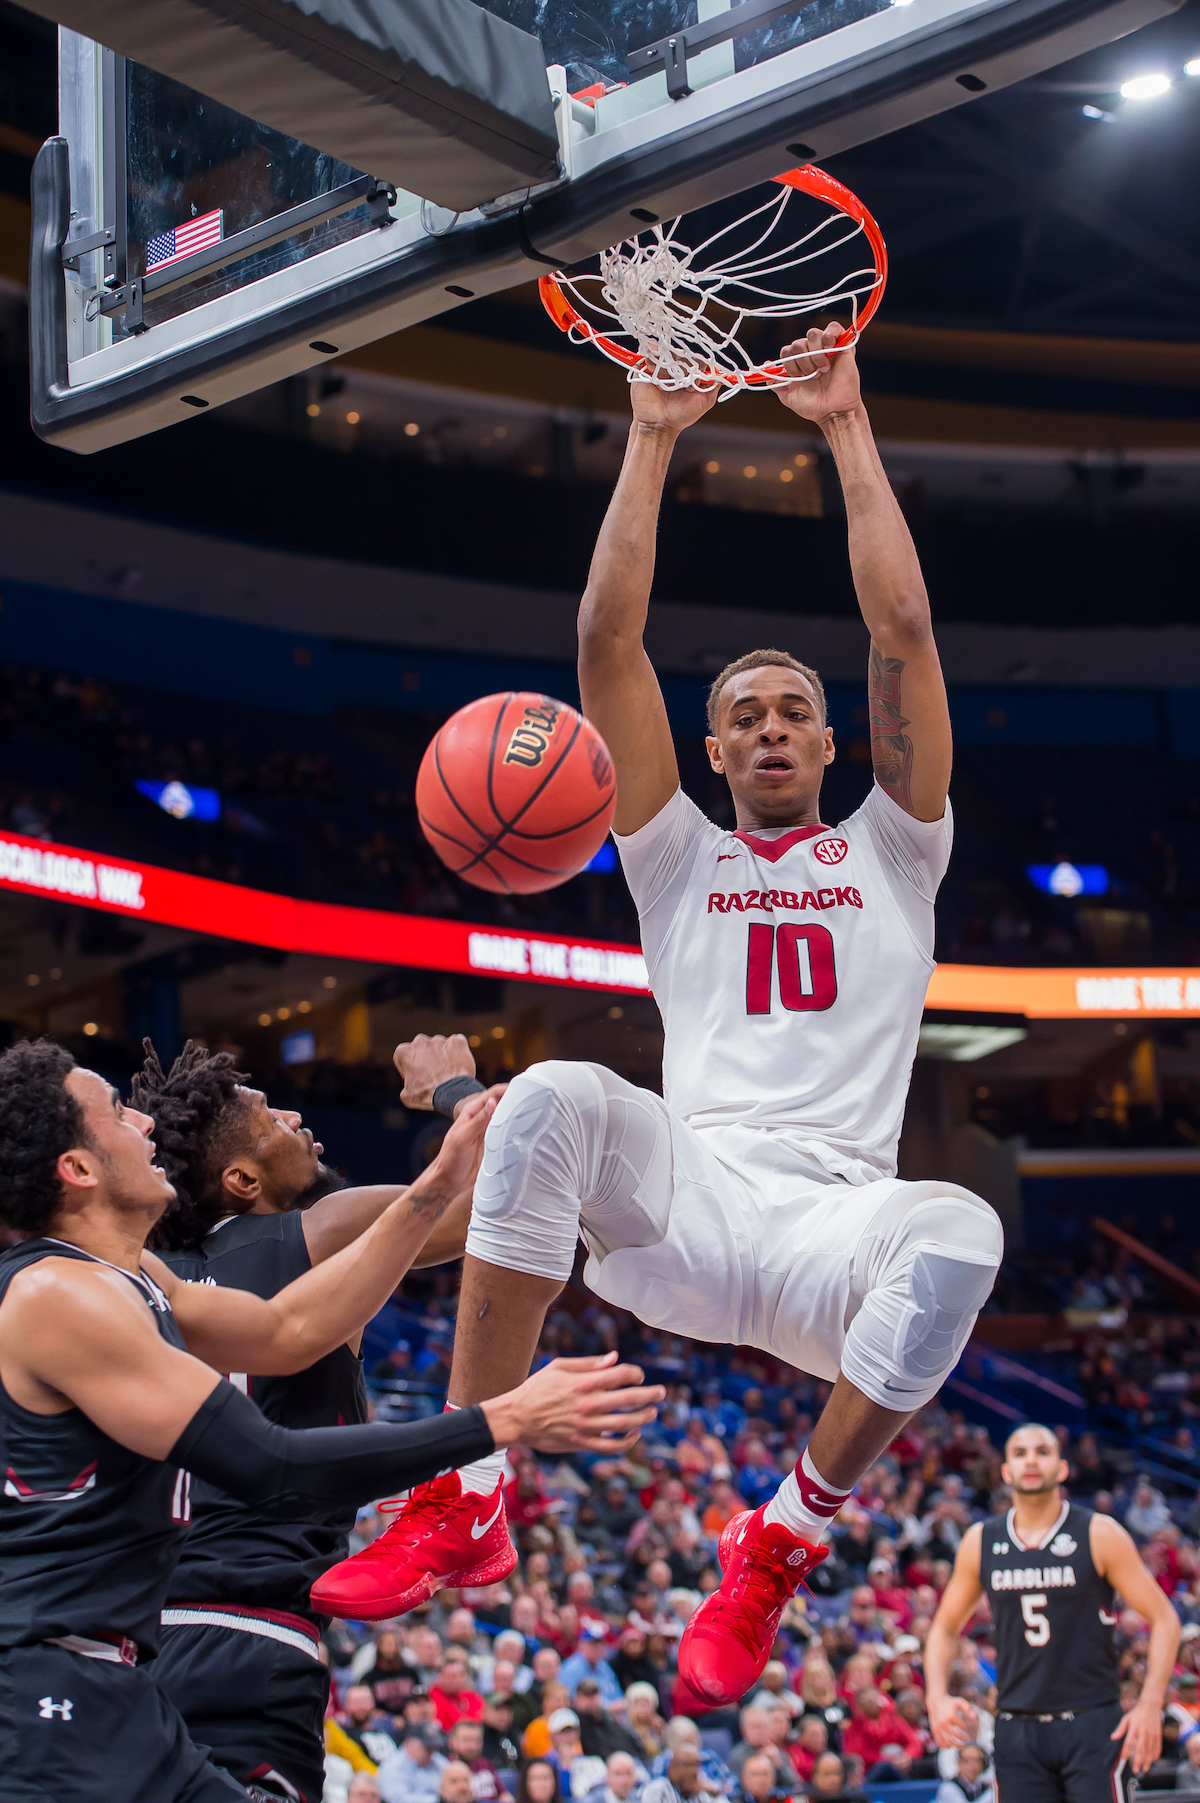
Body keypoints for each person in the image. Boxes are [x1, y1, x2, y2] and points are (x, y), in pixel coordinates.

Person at [314, 326, 1003, 1710]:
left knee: (965, 1230)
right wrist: (650, 435)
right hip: (685, 1200)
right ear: (706, 747)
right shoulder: (675, 854)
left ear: (830, 742)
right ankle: (465, 1483)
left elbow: (904, 632)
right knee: (560, 1090)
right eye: (740, 712)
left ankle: (781, 1539)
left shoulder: (898, 844)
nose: (766, 727)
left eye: (792, 712)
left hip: (831, 1227)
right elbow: (604, 639)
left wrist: (847, 423)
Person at [0, 1039, 662, 1803]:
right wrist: (496, 1419)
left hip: (129, 1668)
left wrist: (436, 1180)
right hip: (79, 1671)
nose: (142, 1120)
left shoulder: (141, 1276)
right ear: (77, 1169)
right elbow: (273, 1463)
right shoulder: (65, 1293)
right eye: (117, 1112)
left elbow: (286, 1332)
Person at [137, 1034, 487, 1803]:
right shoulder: (317, 1232)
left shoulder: (133, 1283)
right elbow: (506, 1197)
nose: (297, 1115)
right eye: (270, 1116)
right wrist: (455, 1089)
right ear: (240, 1179)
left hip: (131, 1643)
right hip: (255, 1634)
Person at [926, 1421, 1181, 1801]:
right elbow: (944, 1629)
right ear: (1006, 1471)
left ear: (1062, 1469)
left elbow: (1165, 1619)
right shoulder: (981, 1541)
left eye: (1043, 1451)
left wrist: (1150, 1704)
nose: (1031, 1460)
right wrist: (936, 1696)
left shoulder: (1098, 1532)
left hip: (1093, 1723)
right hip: (1017, 1727)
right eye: (1020, 1453)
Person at [376, 1724, 449, 1803]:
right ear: (409, 1742)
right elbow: (398, 1799)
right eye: (427, 1747)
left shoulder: (439, 1761)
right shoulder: (392, 1766)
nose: (431, 1751)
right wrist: (439, 1800)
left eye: (434, 1747)